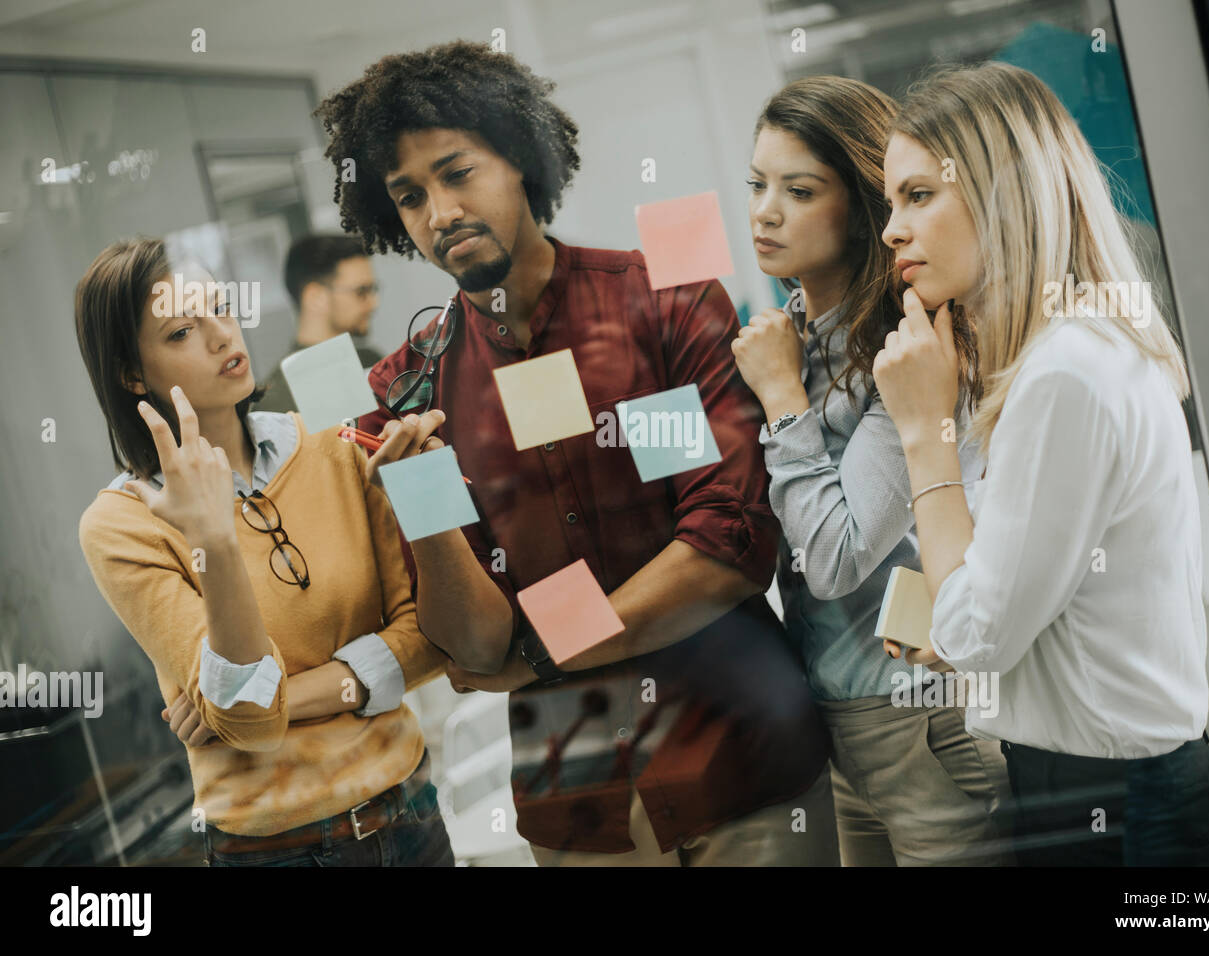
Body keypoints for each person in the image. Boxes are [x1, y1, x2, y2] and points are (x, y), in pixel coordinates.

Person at [317, 40, 839, 865]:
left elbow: (724, 546)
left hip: (740, 764)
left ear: (521, 158)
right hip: (578, 808)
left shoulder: (657, 309)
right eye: (409, 195)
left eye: (458, 173)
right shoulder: (412, 392)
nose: (440, 211)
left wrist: (539, 652)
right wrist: (419, 504)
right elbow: (474, 647)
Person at [871, 61, 1209, 866]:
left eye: (918, 195)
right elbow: (1018, 595)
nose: (892, 229)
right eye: (890, 203)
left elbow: (975, 633)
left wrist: (925, 433)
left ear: (1004, 192)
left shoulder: (1063, 372)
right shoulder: (1064, 352)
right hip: (1111, 789)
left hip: (1116, 806)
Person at [75, 237, 452, 867]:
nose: (224, 336)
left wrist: (283, 700)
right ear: (131, 374)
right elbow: (249, 718)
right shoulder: (122, 525)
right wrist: (215, 540)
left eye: (222, 308)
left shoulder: (334, 445)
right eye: (182, 333)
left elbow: (427, 637)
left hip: (410, 812)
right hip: (278, 850)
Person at [731, 76, 1010, 866]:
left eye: (800, 189)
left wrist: (783, 401)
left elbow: (835, 558)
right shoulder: (789, 335)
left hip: (918, 712)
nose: (765, 210)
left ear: (861, 207)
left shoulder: (908, 346)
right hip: (839, 716)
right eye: (757, 184)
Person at [255, 234, 386, 413]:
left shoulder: (372, 362)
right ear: (315, 297)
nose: (374, 303)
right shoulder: (277, 400)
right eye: (361, 291)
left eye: (373, 289)